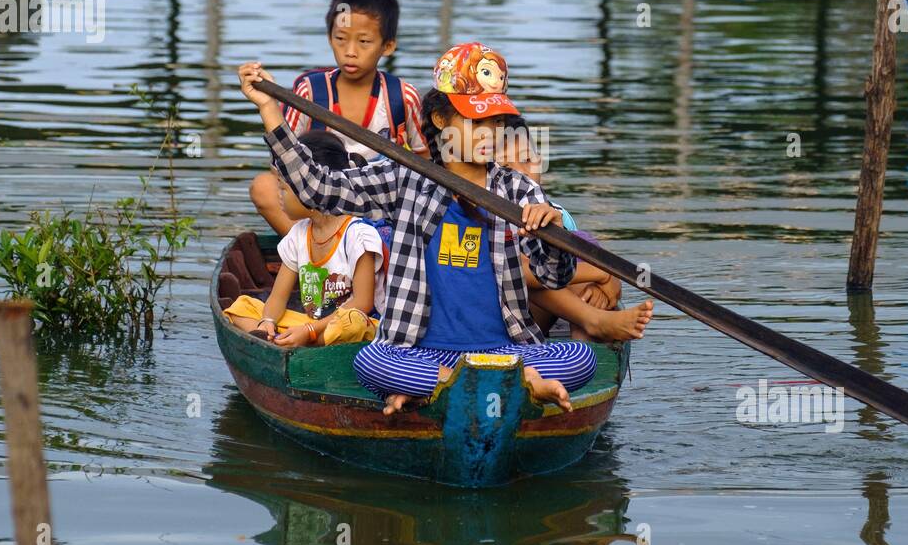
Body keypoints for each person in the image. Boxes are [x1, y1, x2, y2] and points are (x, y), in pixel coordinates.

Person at [238, 42, 622, 416]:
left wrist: (550, 233)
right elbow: (316, 188)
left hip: (505, 351)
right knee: (374, 360)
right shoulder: (407, 179)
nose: (490, 134)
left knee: (579, 358)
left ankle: (444, 387)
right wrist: (270, 109)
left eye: (497, 122)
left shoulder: (518, 190)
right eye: (476, 121)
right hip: (423, 351)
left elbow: (553, 276)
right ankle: (509, 384)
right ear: (441, 120)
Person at [249, 0, 428, 236]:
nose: (350, 52)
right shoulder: (309, 92)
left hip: (379, 205)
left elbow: (425, 163)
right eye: (340, 39)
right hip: (318, 199)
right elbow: (281, 160)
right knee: (264, 187)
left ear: (387, 46)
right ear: (329, 37)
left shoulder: (402, 96)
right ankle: (311, 250)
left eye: (364, 42)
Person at [224, 132, 384, 348]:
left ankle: (292, 342)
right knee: (242, 306)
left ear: (313, 187)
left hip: (345, 328)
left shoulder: (358, 235)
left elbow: (363, 303)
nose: (279, 195)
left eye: (283, 188)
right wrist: (267, 321)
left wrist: (309, 331)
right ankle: (283, 339)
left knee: (352, 323)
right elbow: (278, 298)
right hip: (312, 326)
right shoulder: (299, 234)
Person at [500, 115, 651, 343]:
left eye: (528, 160)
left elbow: (587, 263)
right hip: (498, 319)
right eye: (506, 167)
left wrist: (609, 283)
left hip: (537, 317)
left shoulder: (556, 215)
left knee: (587, 286)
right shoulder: (486, 214)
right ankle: (593, 321)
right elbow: (513, 272)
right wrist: (602, 272)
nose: (523, 175)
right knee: (547, 272)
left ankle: (586, 359)